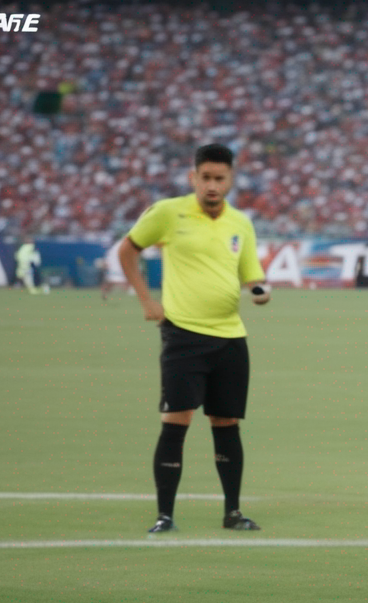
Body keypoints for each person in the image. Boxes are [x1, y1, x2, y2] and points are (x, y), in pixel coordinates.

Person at [117, 143, 268, 534]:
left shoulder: (240, 222)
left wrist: (259, 290)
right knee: (176, 420)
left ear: (230, 180)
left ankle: (232, 512)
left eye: (220, 178)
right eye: (206, 178)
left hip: (231, 338)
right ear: (193, 178)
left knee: (227, 423)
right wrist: (146, 298)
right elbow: (127, 250)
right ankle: (164, 515)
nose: (212, 185)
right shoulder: (169, 212)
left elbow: (251, 274)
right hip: (183, 335)